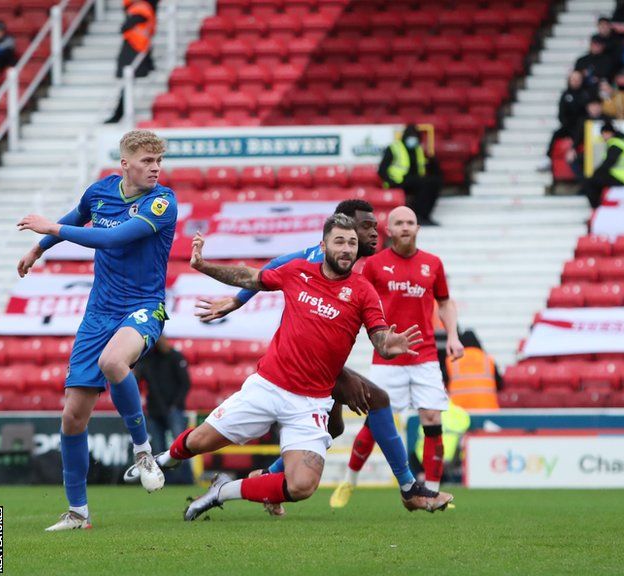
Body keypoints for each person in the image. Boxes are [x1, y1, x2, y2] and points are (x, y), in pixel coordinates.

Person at [148, 216, 452, 521]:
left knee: (303, 485)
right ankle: (162, 459)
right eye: (339, 242)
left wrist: (389, 343)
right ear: (323, 245)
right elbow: (251, 277)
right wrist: (204, 266)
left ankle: (222, 491)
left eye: (352, 243)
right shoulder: (297, 271)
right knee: (200, 441)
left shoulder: (363, 291)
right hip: (267, 386)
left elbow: (380, 337)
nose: (347, 249)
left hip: (310, 403)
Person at [188, 199, 390, 516]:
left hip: (321, 374)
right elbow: (260, 275)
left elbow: (379, 335)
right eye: (364, 227)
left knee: (336, 429)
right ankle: (408, 485)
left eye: (360, 236)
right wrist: (235, 300)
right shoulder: (304, 263)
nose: (371, 235)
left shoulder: (362, 283)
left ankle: (251, 483)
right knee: (353, 414)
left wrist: (389, 342)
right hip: (290, 370)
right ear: (327, 240)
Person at [16, 130, 173, 531]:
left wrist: (51, 229)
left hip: (143, 307)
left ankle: (142, 451)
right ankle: (78, 513)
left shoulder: (162, 202)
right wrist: (38, 249)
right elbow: (76, 218)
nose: (155, 168)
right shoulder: (100, 192)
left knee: (113, 360)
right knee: (72, 417)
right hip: (98, 313)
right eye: (147, 161)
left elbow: (112, 237)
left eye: (159, 161)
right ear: (125, 164)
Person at [330, 206, 464, 509]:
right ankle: (349, 481)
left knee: (432, 418)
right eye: (399, 223)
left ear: (418, 228)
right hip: (387, 358)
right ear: (388, 230)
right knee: (376, 424)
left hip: (425, 354)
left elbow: (445, 303)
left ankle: (431, 491)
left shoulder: (433, 264)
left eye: (410, 222)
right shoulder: (375, 265)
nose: (405, 227)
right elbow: (358, 301)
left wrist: (453, 336)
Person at [134, 334, 191, 483]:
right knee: (159, 447)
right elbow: (136, 378)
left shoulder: (175, 357)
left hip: (174, 410)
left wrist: (176, 405)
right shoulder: (148, 359)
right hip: (154, 410)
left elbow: (185, 383)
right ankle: (165, 479)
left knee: (181, 446)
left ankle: (186, 479)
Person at [105, 0, 157, 124]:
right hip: (138, 49)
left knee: (126, 84)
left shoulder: (140, 7)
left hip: (134, 49)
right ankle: (120, 113)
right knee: (126, 85)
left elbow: (126, 26)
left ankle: (120, 114)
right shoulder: (145, 8)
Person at [378, 125, 440, 226]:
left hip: (414, 181)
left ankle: (425, 216)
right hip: (397, 181)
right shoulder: (394, 148)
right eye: (410, 136)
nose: (412, 139)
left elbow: (422, 167)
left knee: (434, 182)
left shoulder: (418, 149)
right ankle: (419, 216)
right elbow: (382, 170)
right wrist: (390, 181)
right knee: (424, 184)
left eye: (415, 136)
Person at [579, 121, 624, 209]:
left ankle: (597, 211)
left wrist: (594, 174)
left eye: (603, 134)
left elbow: (608, 163)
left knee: (589, 182)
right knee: (597, 180)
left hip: (622, 178)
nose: (603, 137)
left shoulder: (616, 144)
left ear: (607, 133)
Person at [540, 70, 591, 172]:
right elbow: (561, 114)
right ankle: (547, 159)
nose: (575, 81)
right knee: (556, 133)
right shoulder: (565, 95)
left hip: (583, 128)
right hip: (568, 126)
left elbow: (587, 114)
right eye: (573, 79)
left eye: (578, 79)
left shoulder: (586, 94)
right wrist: (567, 124)